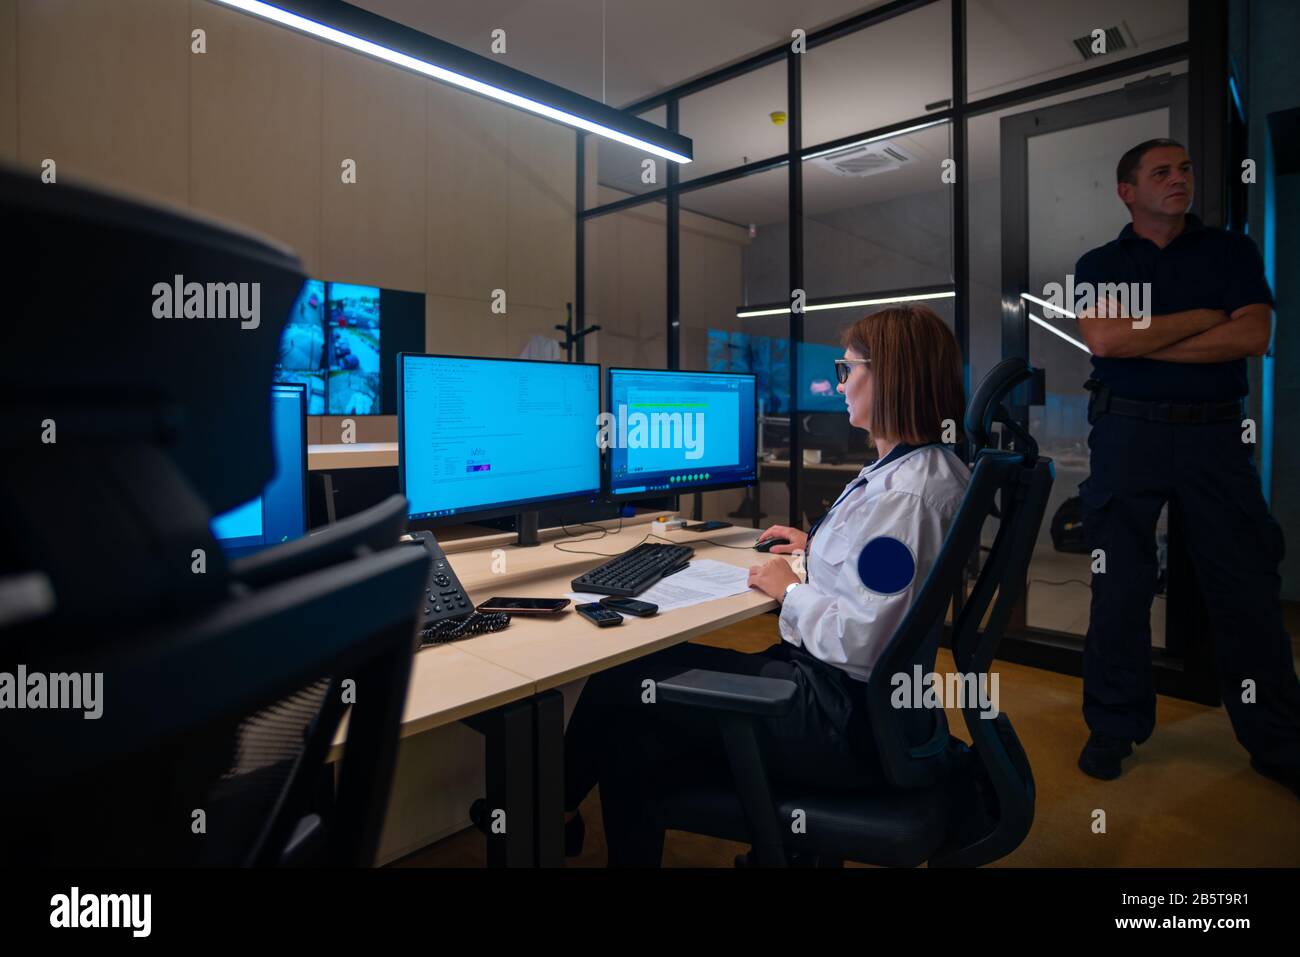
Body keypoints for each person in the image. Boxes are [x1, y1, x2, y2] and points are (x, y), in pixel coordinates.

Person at [562, 304, 970, 864]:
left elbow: (862, 640)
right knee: (641, 720)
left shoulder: (904, 497)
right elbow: (883, 584)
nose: (841, 384)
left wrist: (789, 589)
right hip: (872, 712)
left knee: (622, 680)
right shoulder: (926, 470)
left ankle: (546, 815)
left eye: (849, 370)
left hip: (838, 717)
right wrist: (818, 549)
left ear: (891, 376)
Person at [1073, 138, 1300, 796]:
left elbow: (1253, 336)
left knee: (1246, 585)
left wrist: (1145, 343)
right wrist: (1203, 319)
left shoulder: (1232, 251)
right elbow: (1106, 341)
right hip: (1125, 435)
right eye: (1161, 171)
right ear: (1127, 190)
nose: (1180, 179)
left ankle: (1277, 737)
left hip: (1215, 439)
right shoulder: (1099, 263)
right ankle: (1113, 725)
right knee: (1118, 585)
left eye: (1185, 168)